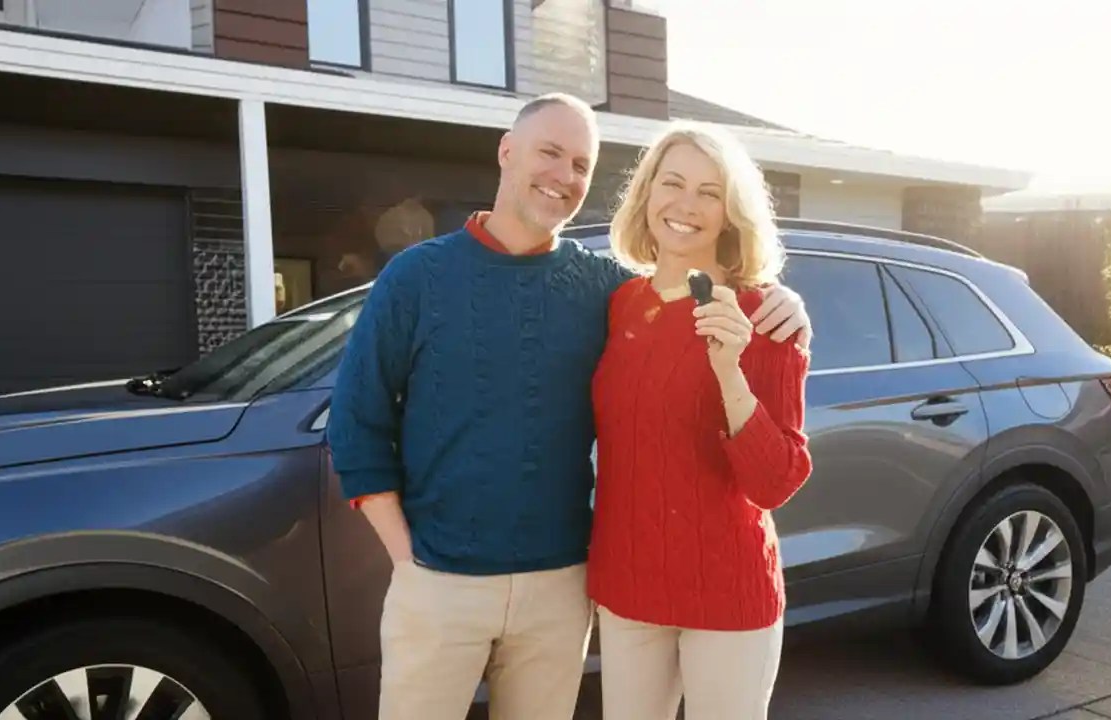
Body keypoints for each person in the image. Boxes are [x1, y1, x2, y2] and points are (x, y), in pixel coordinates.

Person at [326, 93, 811, 720]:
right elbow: (356, 421)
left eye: (581, 164)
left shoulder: (601, 290)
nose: (563, 176)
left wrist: (786, 305)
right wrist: (408, 560)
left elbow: (702, 298)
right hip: (441, 581)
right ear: (507, 152)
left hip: (563, 588)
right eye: (549, 153)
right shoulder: (420, 276)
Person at [587, 120, 813, 720]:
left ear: (730, 212)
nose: (686, 206)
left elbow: (775, 482)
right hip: (629, 583)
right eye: (673, 184)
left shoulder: (766, 316)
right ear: (647, 195)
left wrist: (729, 371)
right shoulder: (619, 305)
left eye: (709, 193)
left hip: (727, 590)